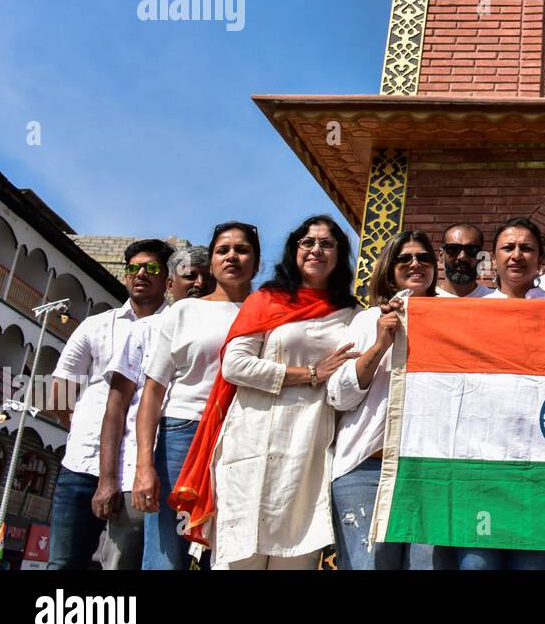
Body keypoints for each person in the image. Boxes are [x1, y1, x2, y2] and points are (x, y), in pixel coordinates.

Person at [170, 215, 360, 570]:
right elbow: (235, 366)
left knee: (296, 555)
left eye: (326, 243)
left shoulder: (350, 314)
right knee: (241, 556)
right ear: (294, 251)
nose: (316, 249)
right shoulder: (268, 299)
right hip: (252, 443)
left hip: (311, 450)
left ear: (340, 254)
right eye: (308, 242)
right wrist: (312, 373)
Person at [129, 223, 260, 569]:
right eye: (223, 250)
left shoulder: (267, 314)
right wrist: (144, 464)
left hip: (242, 441)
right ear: (213, 261)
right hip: (182, 438)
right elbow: (153, 391)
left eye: (242, 250)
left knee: (224, 555)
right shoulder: (183, 311)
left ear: (257, 262)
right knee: (165, 556)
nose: (232, 256)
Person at [47, 239, 172, 569]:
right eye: (133, 268)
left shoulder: (174, 329)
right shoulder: (96, 325)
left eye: (152, 268)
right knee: (62, 564)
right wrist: (83, 430)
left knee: (123, 566)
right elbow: (59, 392)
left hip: (139, 470)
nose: (141, 273)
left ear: (167, 279)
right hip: (83, 465)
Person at [446, 218, 545, 569]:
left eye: (526, 248)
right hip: (485, 470)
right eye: (507, 248)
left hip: (541, 474)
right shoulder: (471, 314)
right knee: (477, 566)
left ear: (540, 259)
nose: (516, 255)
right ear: (492, 259)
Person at [94, 245, 211, 570]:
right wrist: (109, 480)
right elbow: (115, 408)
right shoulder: (144, 330)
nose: (199, 283)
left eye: (206, 276)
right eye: (190, 276)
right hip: (139, 477)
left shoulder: (224, 333)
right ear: (171, 284)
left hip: (196, 472)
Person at [327, 231, 438, 570]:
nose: (415, 264)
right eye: (404, 258)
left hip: (428, 471)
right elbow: (338, 396)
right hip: (367, 469)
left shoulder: (451, 320)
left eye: (423, 258)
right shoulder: (366, 320)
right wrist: (380, 344)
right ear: (390, 270)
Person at [437, 223, 493, 298]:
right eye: (453, 249)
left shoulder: (498, 300)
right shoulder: (425, 300)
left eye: (472, 250)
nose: (462, 257)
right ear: (441, 255)